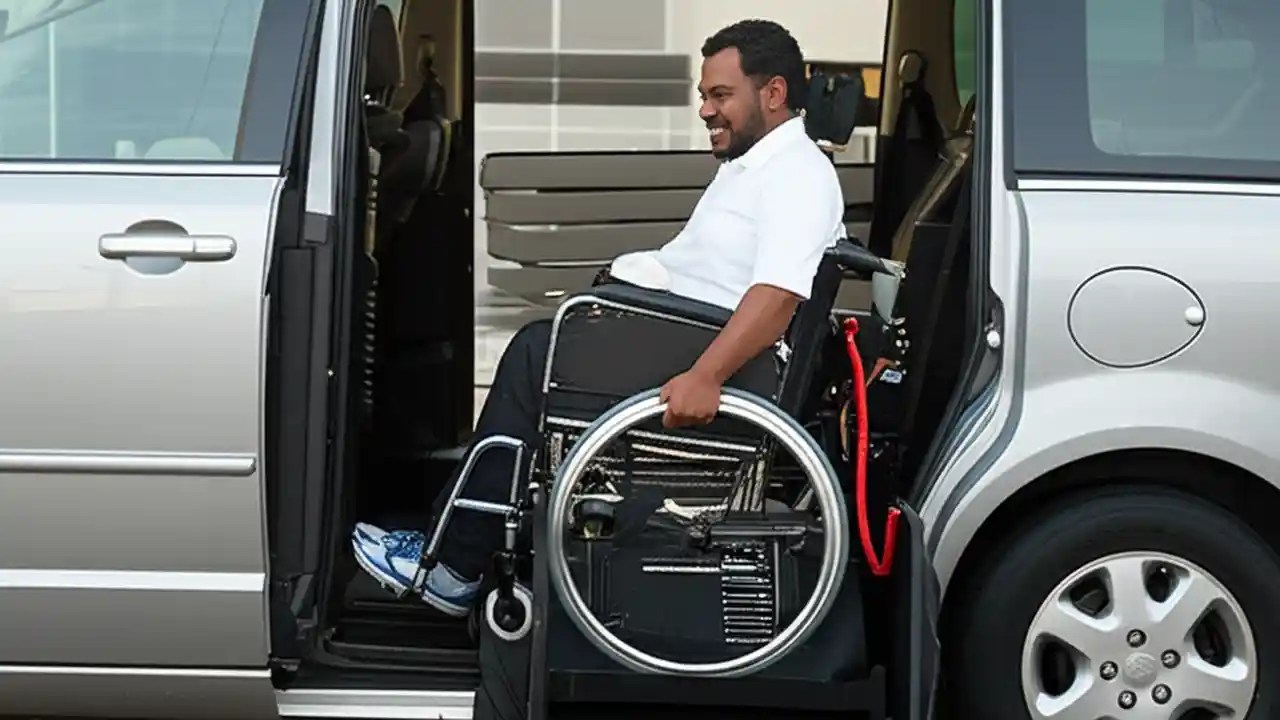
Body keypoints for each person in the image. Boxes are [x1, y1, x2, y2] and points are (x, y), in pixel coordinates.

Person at [352, 18, 848, 618]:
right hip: (683, 341)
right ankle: (469, 545)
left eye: (721, 95)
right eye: (703, 95)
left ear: (773, 93)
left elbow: (776, 296)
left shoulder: (798, 175)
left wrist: (706, 377)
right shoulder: (753, 167)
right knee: (548, 344)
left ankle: (455, 566)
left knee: (538, 354)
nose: (705, 110)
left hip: (717, 370)